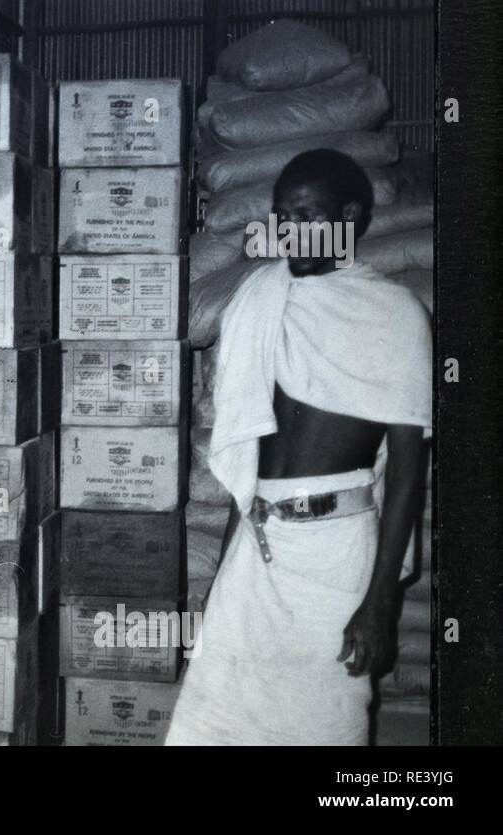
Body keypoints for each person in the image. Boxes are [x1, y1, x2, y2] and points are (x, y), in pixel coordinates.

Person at [166, 150, 432, 745]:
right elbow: (252, 455)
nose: (290, 231)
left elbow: (407, 474)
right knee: (211, 720)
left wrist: (380, 602)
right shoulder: (263, 297)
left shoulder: (395, 315)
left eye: (307, 215)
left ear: (350, 216)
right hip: (257, 539)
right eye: (282, 217)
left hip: (335, 552)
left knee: (324, 723)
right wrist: (223, 576)